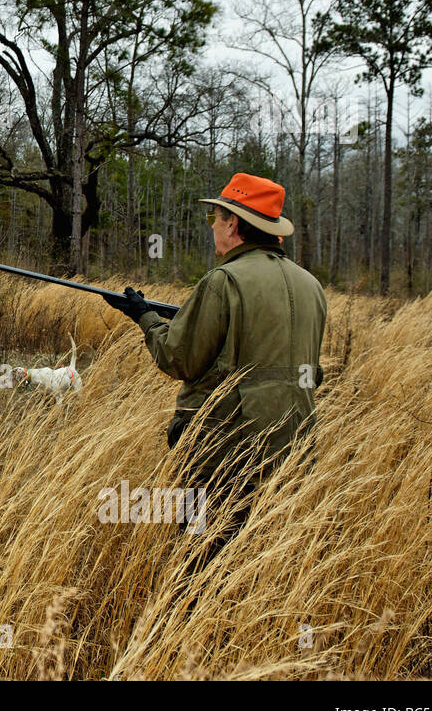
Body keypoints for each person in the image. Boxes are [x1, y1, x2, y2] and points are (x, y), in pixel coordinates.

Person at [104, 173, 327, 550]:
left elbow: (179, 359)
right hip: (293, 445)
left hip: (222, 450)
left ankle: (190, 609)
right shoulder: (311, 286)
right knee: (264, 554)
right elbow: (310, 371)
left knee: (200, 554)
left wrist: (145, 317)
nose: (212, 228)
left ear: (234, 224)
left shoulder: (224, 280)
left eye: (215, 219)